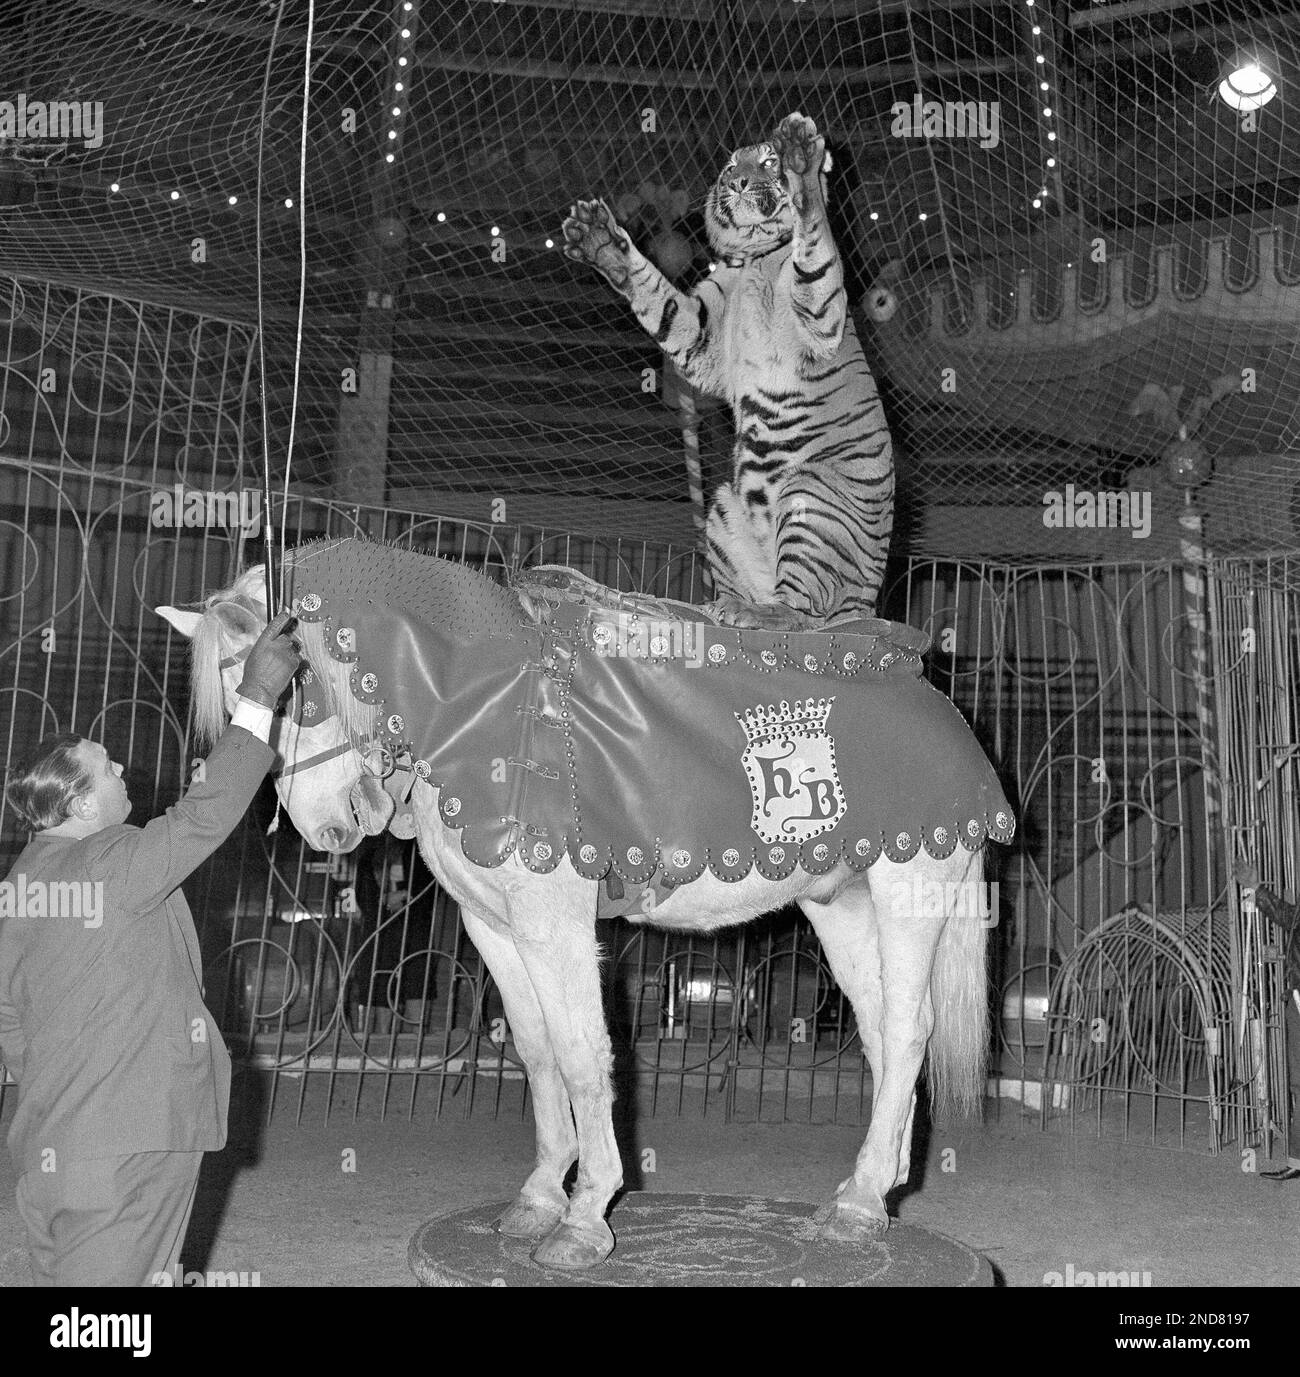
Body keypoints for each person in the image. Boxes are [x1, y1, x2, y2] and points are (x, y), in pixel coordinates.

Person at [0, 607, 302, 1285]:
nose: (123, 772)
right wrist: (256, 698)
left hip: (53, 1151)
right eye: (108, 770)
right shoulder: (115, 856)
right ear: (80, 805)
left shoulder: (16, 891)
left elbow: (11, 1030)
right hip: (132, 1145)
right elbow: (203, 815)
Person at [1234, 859, 1300, 1182]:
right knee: (1298, 1082)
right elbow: (1288, 917)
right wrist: (1258, 889)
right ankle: (1298, 1159)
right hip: (1296, 999)